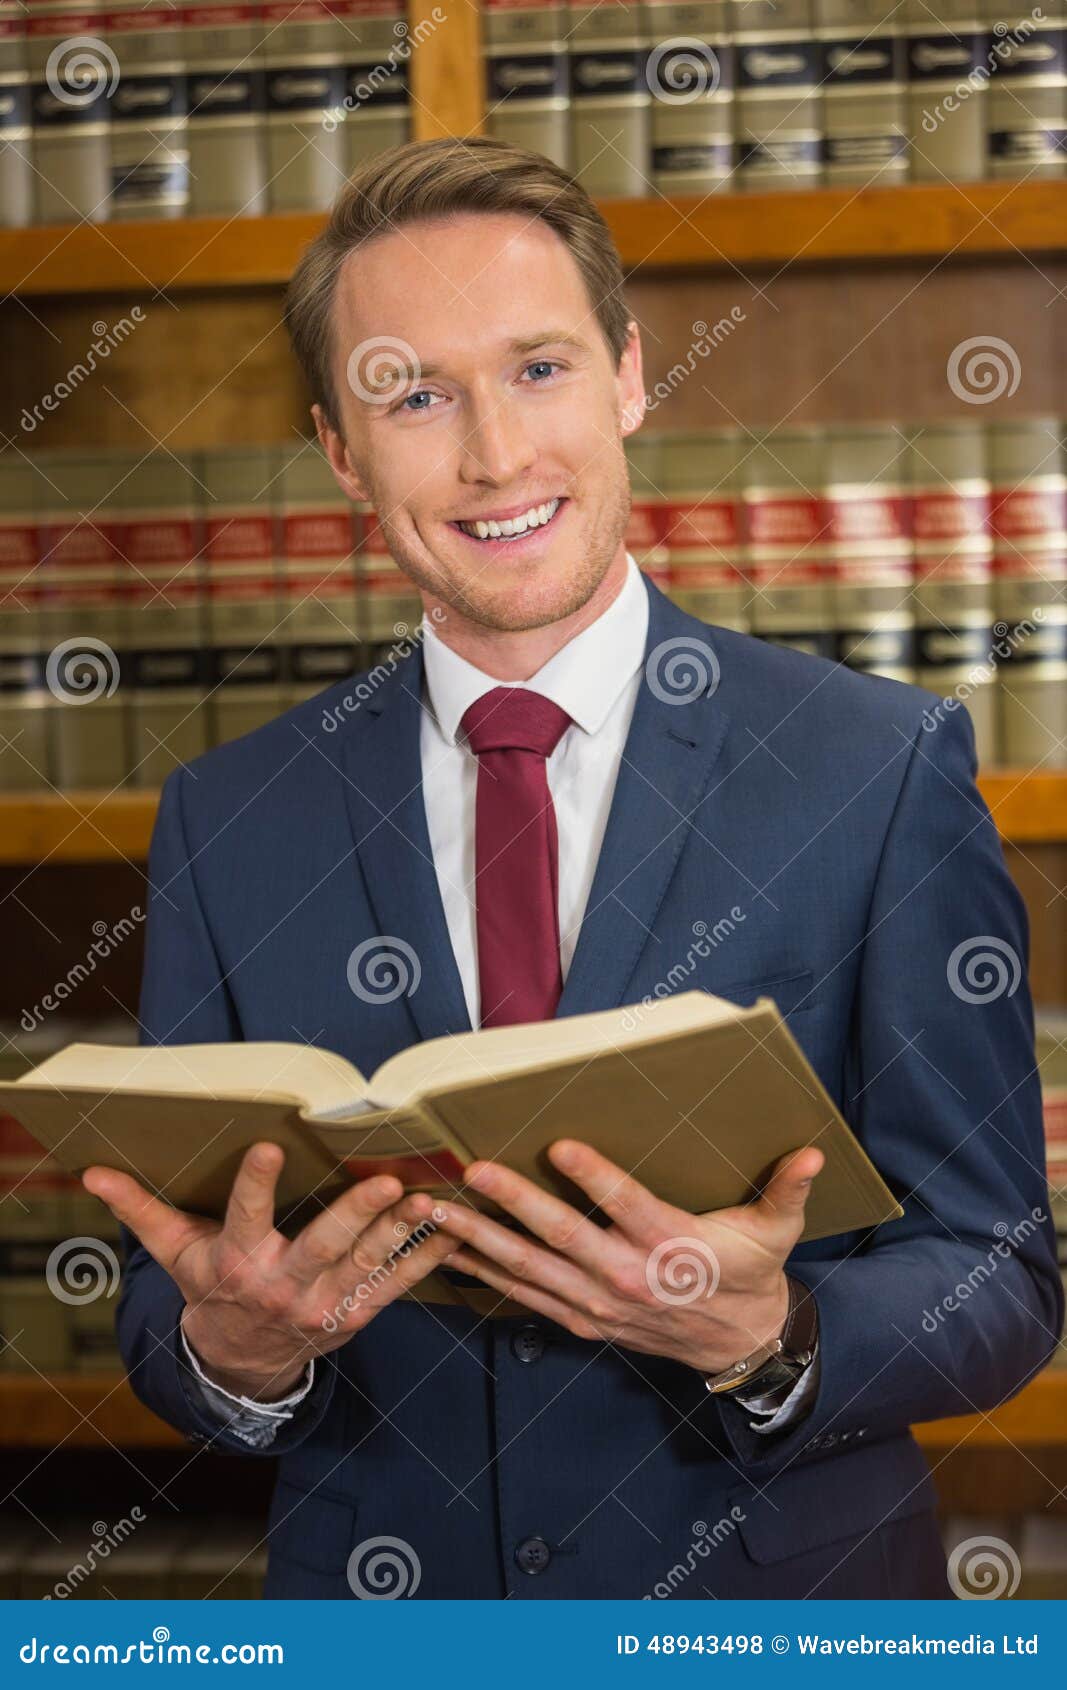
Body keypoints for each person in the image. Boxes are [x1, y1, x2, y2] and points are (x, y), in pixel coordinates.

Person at [85, 137, 1062, 1600]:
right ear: (343, 450)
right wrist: (235, 1348)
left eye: (537, 369)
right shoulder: (231, 816)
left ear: (626, 374)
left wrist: (772, 1332)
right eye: (415, 395)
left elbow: (1004, 1273)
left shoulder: (876, 766)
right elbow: (176, 1292)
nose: (493, 455)